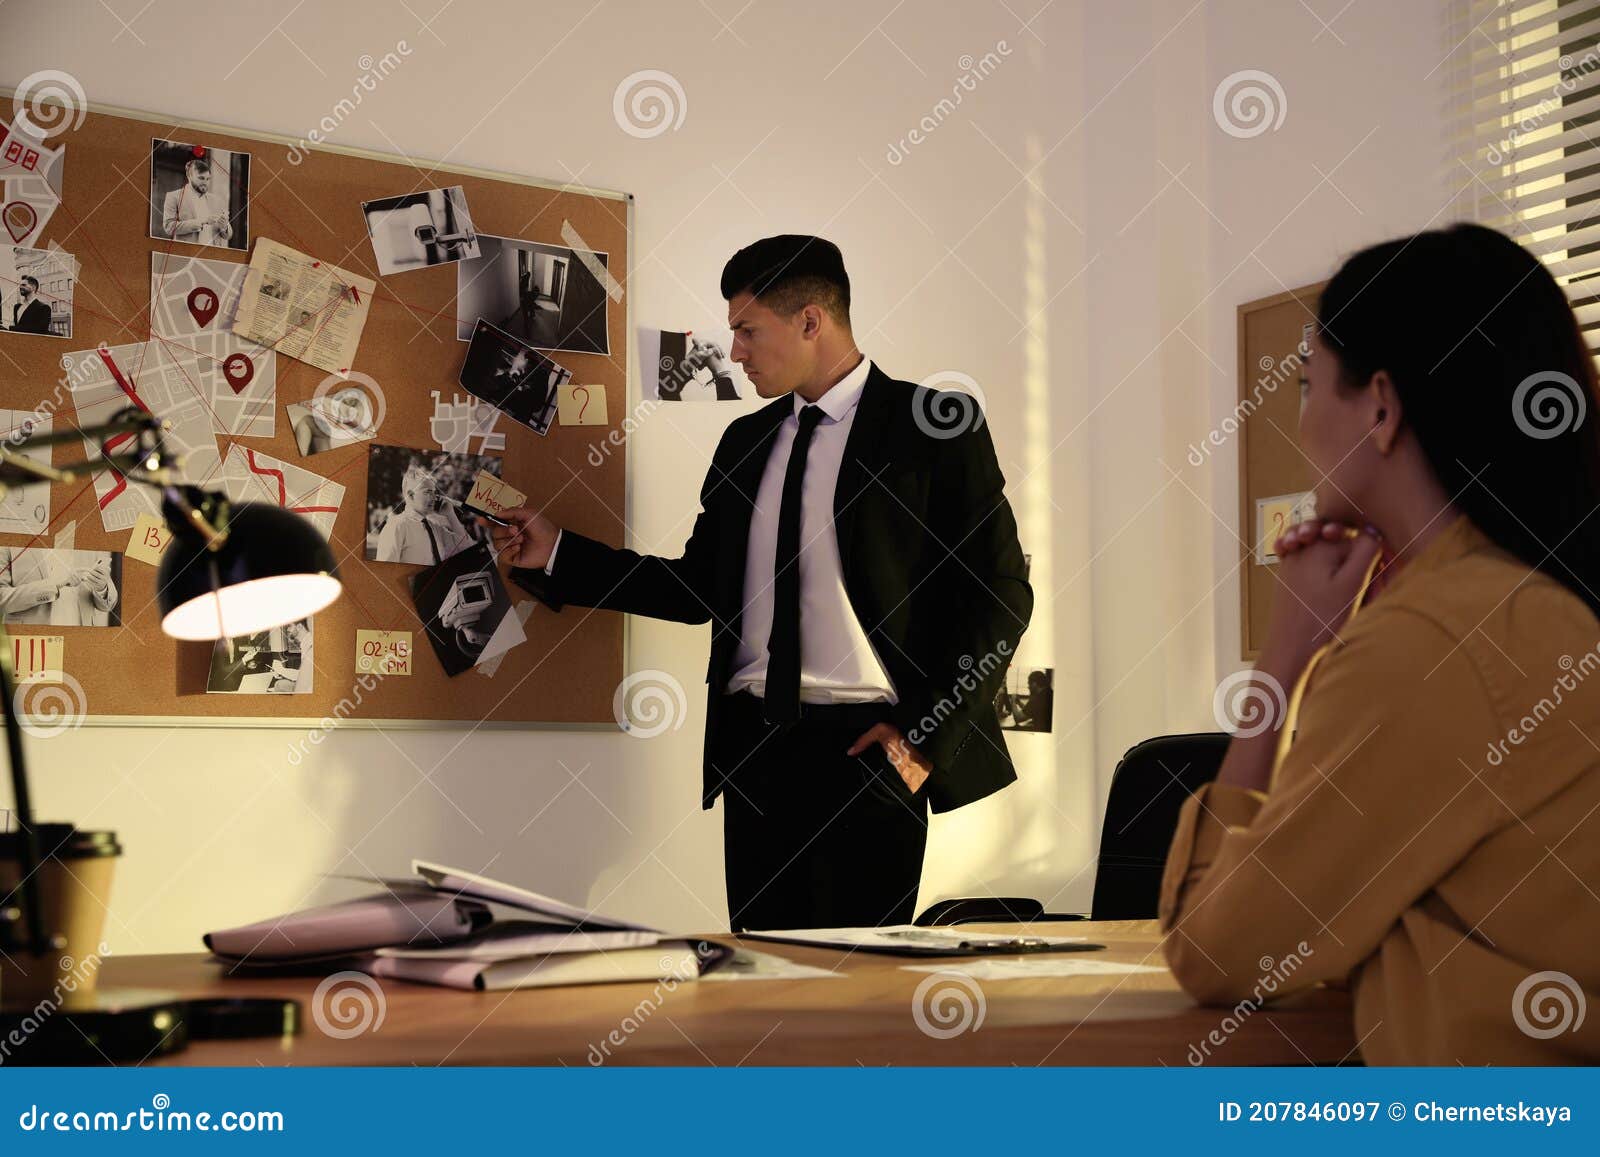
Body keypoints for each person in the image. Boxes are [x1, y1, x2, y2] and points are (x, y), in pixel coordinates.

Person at [487, 234, 1033, 931]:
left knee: (848, 999)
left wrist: (924, 734)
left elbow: (1001, 594)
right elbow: (699, 591)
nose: (735, 351)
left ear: (812, 321)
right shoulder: (745, 442)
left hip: (868, 753)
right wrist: (558, 553)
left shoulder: (933, 430)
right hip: (753, 751)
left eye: (747, 330)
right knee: (759, 985)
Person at [1160, 223, 1600, 1064]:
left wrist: (1283, 657)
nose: (1297, 419)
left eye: (1304, 383)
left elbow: (1212, 949)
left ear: (1383, 405)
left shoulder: (1432, 639)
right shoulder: (1528, 604)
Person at [374, 463, 477, 565]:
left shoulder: (435, 527)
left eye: (434, 492)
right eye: (427, 492)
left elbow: (467, 547)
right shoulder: (396, 526)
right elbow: (384, 570)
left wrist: (450, 514)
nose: (434, 497)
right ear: (410, 495)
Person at [0, 548, 117, 625]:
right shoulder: (9, 541)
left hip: (80, 641)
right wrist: (54, 584)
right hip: (32, 642)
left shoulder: (87, 538)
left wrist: (102, 588)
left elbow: (108, 605)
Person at [161, 152, 232, 247]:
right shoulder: (173, 197)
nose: (205, 183)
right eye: (201, 178)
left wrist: (224, 226)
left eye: (208, 179)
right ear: (189, 176)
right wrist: (202, 221)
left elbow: (228, 235)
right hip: (187, 253)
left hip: (212, 255)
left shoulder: (216, 200)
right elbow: (169, 228)